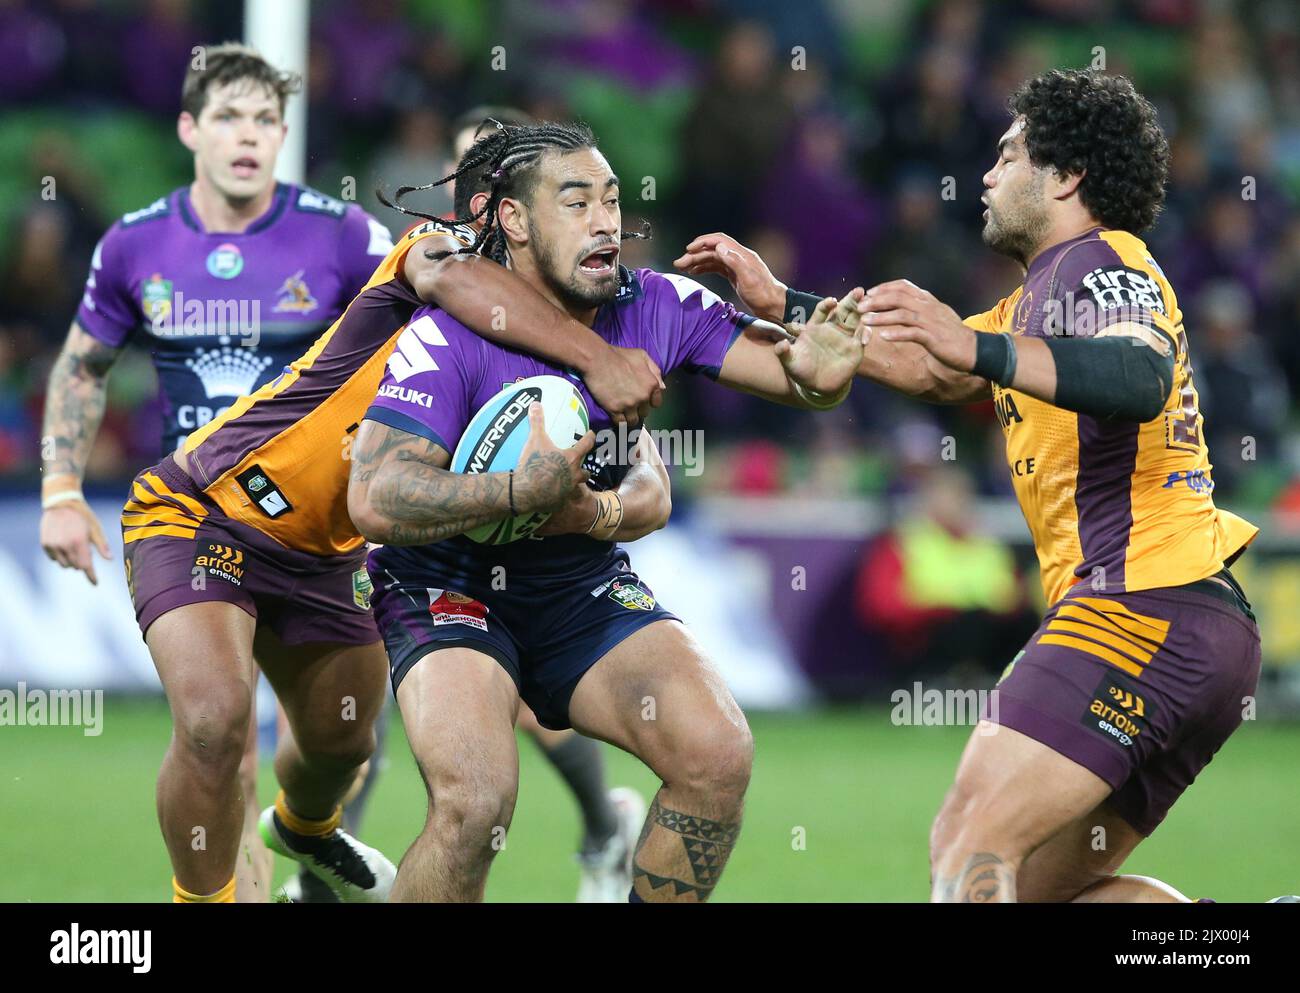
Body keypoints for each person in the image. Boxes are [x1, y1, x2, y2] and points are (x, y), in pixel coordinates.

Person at [675, 69, 1275, 903]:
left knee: (969, 844)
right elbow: (932, 363)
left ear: (1066, 178)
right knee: (1024, 888)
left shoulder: (1098, 267)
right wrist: (788, 302)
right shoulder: (1041, 300)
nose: (987, 174)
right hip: (1192, 629)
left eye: (1009, 154)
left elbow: (1138, 374)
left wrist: (975, 351)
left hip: (1140, 606)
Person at [347, 120, 865, 902]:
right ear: (514, 221)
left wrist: (819, 372)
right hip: (445, 583)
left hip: (576, 585)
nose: (604, 221)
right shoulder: (451, 330)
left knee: (715, 753)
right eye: (576, 201)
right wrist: (517, 493)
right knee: (476, 803)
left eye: (613, 201)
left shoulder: (657, 305)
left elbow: (799, 375)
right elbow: (376, 494)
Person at [37, 42, 398, 903]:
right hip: (194, 518)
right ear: (189, 128)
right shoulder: (134, 244)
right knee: (215, 726)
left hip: (320, 527)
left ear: (283, 134)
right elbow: (84, 366)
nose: (249, 136)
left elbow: (423, 330)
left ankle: (305, 827)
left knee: (346, 739)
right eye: (230, 117)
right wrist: (59, 490)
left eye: (266, 120)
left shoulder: (345, 235)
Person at [448, 109, 648, 902]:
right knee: (335, 725)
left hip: (537, 558)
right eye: (473, 181)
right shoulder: (422, 271)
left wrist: (594, 510)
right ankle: (605, 825)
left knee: (515, 720)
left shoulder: (588, 304)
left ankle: (603, 825)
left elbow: (649, 480)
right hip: (406, 541)